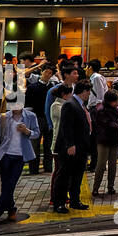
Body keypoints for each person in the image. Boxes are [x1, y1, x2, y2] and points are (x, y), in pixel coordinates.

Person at [0, 101, 39, 225]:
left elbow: (36, 133)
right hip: (5, 155)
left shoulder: (30, 116)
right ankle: (11, 209)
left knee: (11, 184)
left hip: (20, 156)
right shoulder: (3, 118)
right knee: (6, 184)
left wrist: (27, 131)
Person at [49, 80, 92, 213]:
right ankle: (59, 202)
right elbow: (65, 127)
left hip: (81, 147)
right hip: (70, 147)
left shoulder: (79, 104)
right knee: (64, 175)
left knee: (77, 175)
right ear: (83, 91)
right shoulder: (70, 104)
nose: (89, 94)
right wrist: (70, 144)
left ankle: (75, 200)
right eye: (88, 91)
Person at [90, 89, 118, 198]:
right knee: (101, 164)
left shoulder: (115, 109)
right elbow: (110, 124)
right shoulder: (101, 110)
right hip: (103, 140)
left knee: (113, 164)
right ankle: (96, 188)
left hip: (113, 140)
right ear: (111, 101)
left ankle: (111, 186)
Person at [25, 67, 52, 174]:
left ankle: (48, 166)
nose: (48, 74)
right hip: (36, 117)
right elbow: (28, 104)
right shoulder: (33, 87)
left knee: (48, 143)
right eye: (46, 72)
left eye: (50, 73)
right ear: (41, 72)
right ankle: (33, 168)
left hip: (48, 118)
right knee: (34, 143)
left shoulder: (52, 87)